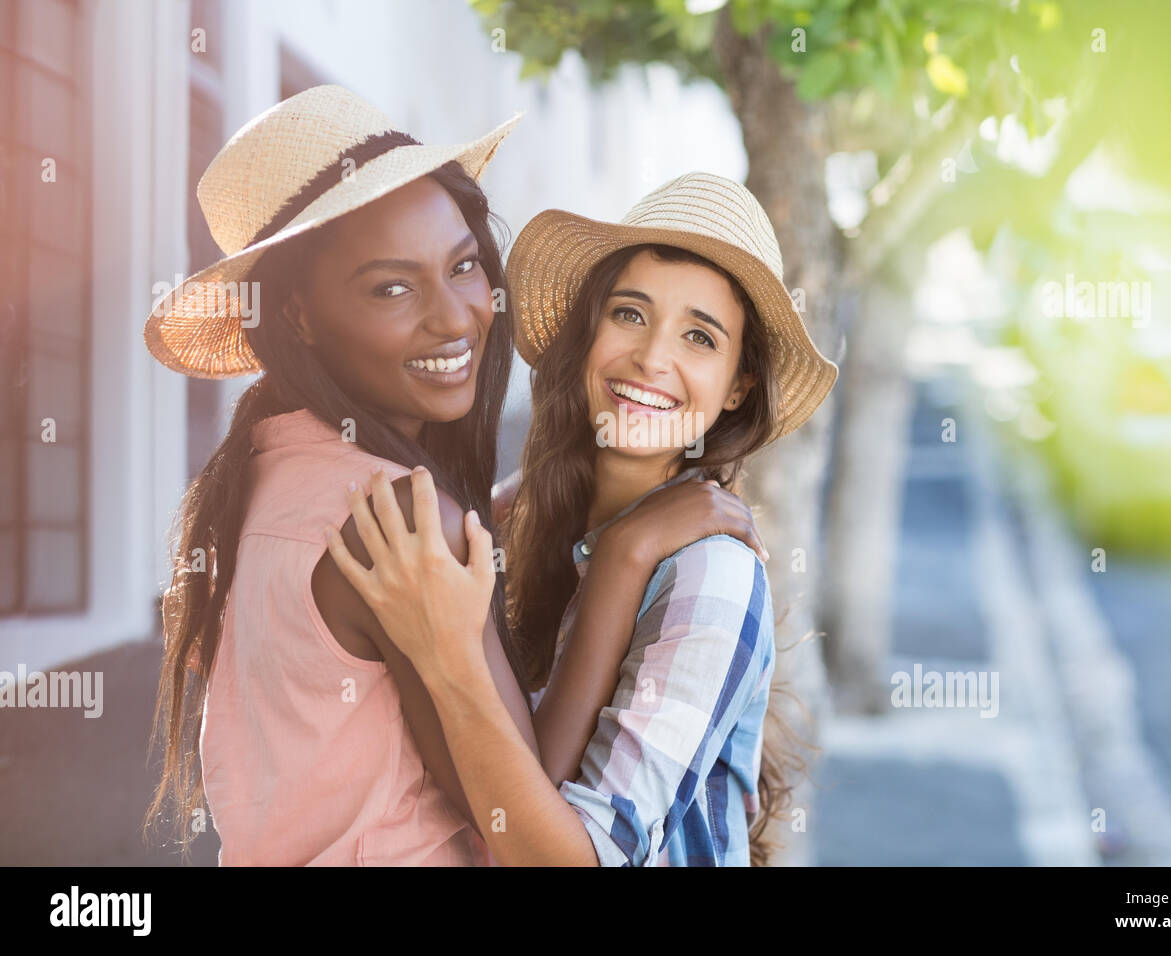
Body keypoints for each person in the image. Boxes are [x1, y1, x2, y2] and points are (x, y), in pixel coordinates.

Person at [143, 88, 763, 865]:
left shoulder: (263, 474)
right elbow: (530, 829)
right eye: (392, 287)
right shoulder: (397, 516)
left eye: (464, 265)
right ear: (297, 313)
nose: (454, 317)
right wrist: (623, 555)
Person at [327, 172, 839, 865]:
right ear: (589, 330)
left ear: (738, 386)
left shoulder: (711, 573)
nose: (653, 357)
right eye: (629, 314)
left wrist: (626, 555)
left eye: (699, 337)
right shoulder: (521, 514)